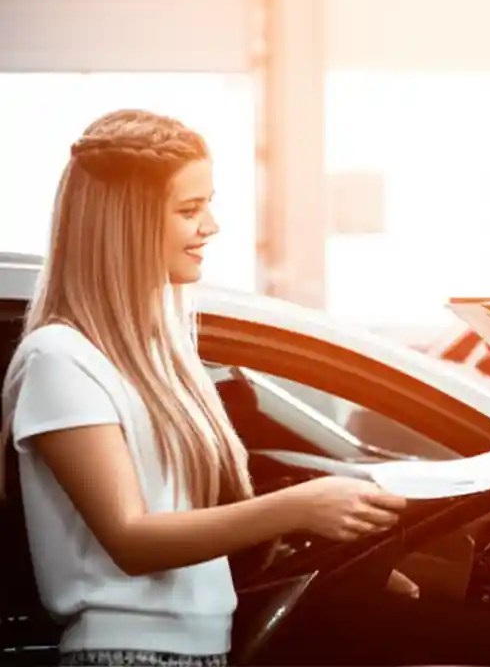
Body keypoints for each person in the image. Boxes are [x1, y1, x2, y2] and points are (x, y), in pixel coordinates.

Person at [0, 109, 409, 667]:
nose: (211, 226)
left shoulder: (157, 358)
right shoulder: (61, 358)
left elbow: (201, 532)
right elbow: (131, 539)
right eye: (190, 210)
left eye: (208, 204)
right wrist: (298, 506)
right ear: (128, 224)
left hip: (195, 653)